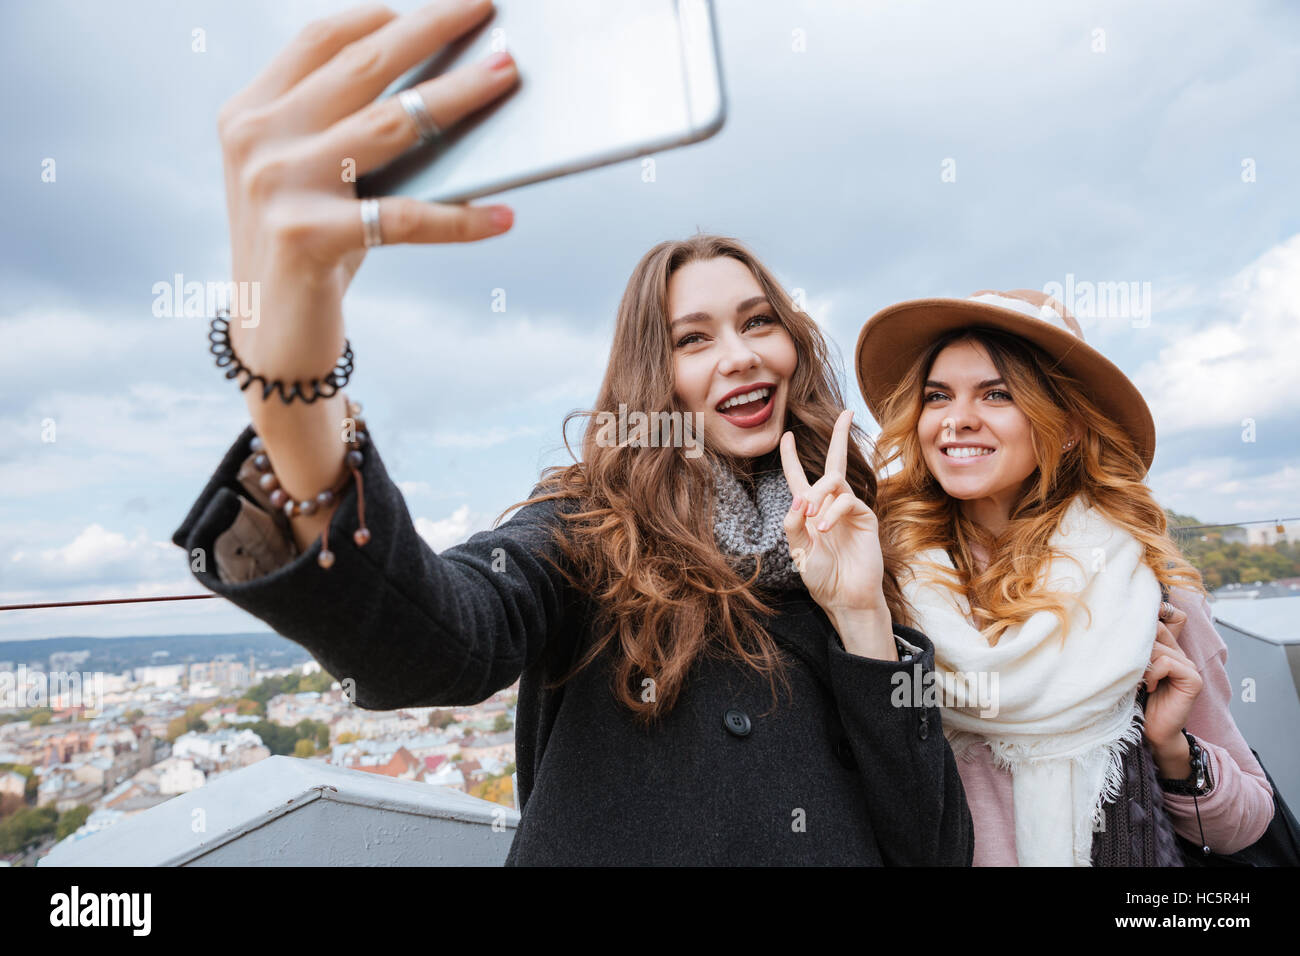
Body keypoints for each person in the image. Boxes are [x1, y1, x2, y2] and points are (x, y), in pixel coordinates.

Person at [173, 0, 973, 865]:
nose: (739, 356)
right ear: (650, 377)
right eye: (694, 338)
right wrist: (291, 385)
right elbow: (440, 641)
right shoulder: (592, 523)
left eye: (758, 322)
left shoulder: (863, 532)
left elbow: (933, 844)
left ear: (794, 343)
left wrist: (858, 614)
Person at [855, 288, 1275, 866]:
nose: (958, 419)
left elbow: (1243, 825)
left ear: (1069, 425)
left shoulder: (1148, 593)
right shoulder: (877, 587)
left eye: (997, 394)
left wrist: (1172, 747)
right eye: (938, 396)